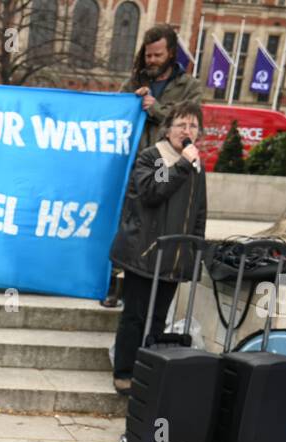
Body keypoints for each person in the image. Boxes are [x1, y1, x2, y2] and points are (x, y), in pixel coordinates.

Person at [107, 102, 207, 397]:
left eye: (193, 126)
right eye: (181, 126)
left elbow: (199, 211)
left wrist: (195, 251)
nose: (187, 132)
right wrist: (183, 165)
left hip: (175, 259)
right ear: (167, 129)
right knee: (135, 316)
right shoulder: (154, 158)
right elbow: (153, 191)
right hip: (145, 254)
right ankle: (124, 372)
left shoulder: (195, 165)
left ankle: (146, 370)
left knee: (157, 319)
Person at [103, 24, 204, 310]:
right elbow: (115, 113)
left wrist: (155, 107)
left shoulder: (189, 86)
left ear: (171, 53)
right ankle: (113, 284)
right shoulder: (134, 79)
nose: (151, 60)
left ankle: (144, 286)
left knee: (154, 224)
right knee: (126, 223)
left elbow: (190, 125)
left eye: (157, 55)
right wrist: (131, 100)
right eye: (148, 55)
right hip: (134, 164)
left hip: (166, 164)